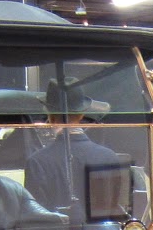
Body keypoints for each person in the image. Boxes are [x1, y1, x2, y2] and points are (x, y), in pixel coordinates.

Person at [25, 81, 125, 221]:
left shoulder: (37, 162)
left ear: (50, 116)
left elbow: (36, 217)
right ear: (82, 115)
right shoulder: (109, 157)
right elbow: (114, 208)